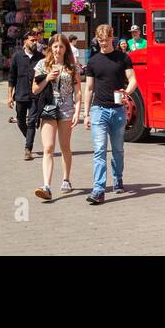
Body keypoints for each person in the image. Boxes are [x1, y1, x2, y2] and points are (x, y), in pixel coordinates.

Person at [82, 23, 137, 205]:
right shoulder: (93, 61)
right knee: (99, 151)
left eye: (106, 40)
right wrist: (86, 113)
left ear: (112, 37)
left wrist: (125, 93)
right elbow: (89, 88)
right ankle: (98, 190)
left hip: (118, 111)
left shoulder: (123, 58)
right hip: (99, 110)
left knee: (118, 150)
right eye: (100, 41)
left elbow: (133, 80)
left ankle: (118, 178)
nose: (103, 44)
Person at [32, 33, 81, 201]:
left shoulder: (71, 66)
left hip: (66, 108)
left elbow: (78, 91)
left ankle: (66, 178)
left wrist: (77, 111)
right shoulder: (42, 65)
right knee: (48, 148)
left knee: (65, 147)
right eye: (54, 46)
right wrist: (47, 78)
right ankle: (46, 186)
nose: (57, 49)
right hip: (48, 107)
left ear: (65, 48)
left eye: (61, 46)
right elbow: (34, 89)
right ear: (50, 48)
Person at [6, 29, 44, 161]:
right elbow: (11, 77)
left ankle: (28, 149)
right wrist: (9, 96)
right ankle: (29, 136)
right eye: (32, 40)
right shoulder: (17, 56)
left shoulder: (41, 57)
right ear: (25, 41)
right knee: (21, 121)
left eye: (36, 40)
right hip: (20, 95)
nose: (35, 42)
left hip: (35, 95)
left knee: (32, 122)